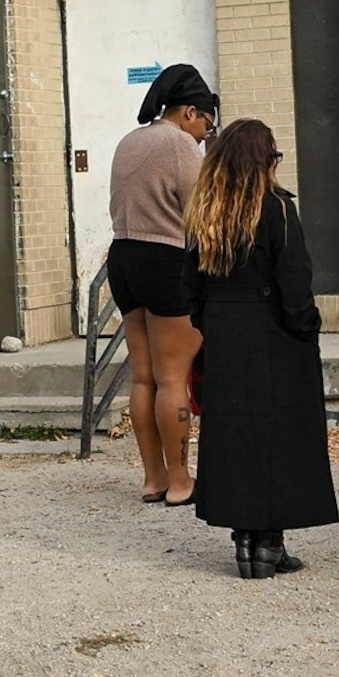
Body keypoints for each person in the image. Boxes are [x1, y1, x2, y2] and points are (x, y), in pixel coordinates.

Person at [185, 119, 337, 577]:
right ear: (262, 161)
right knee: (281, 435)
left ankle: (244, 540)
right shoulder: (276, 210)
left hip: (225, 332)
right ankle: (269, 541)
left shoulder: (204, 213)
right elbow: (295, 281)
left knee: (234, 433)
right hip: (274, 333)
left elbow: (189, 287)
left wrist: (212, 323)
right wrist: (307, 328)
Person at [106, 63, 217, 506]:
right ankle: (181, 482)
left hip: (123, 258)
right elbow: (199, 214)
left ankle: (152, 479)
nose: (205, 136)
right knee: (174, 379)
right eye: (206, 125)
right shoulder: (179, 145)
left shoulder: (128, 141)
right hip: (167, 259)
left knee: (143, 378)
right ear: (190, 112)